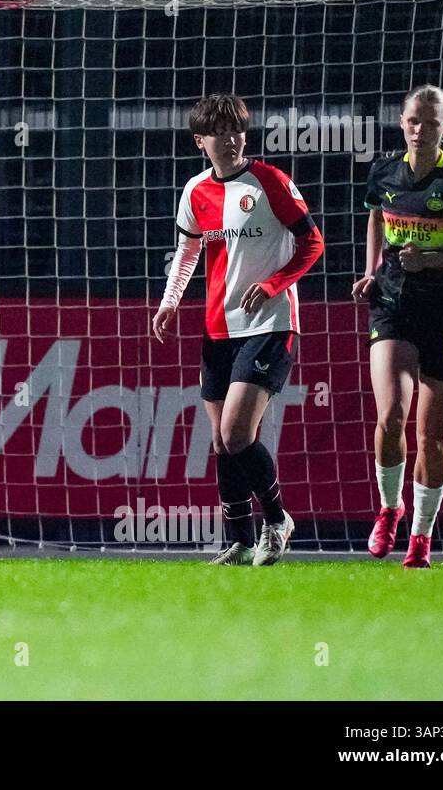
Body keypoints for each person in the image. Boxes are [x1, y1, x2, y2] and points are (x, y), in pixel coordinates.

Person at [153, 93, 323, 565]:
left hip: (270, 324)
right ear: (199, 142)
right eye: (218, 133)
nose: (229, 140)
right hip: (217, 329)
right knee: (219, 441)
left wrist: (273, 285)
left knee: (235, 432)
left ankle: (277, 520)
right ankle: (241, 540)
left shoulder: (270, 181)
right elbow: (187, 254)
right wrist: (169, 304)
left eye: (236, 131)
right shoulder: (195, 192)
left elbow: (312, 242)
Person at [353, 84, 443, 569]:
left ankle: (421, 536)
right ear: (402, 122)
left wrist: (428, 258)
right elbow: (374, 217)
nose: (420, 128)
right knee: (391, 416)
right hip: (392, 304)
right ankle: (390, 507)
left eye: (431, 122)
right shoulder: (385, 172)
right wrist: (372, 270)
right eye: (413, 119)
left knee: (432, 437)